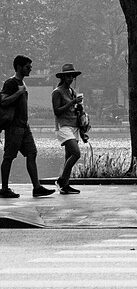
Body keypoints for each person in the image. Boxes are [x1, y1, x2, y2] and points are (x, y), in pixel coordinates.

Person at [0, 55, 54, 198]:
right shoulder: (11, 83)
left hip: (24, 127)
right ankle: (4, 188)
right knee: (9, 157)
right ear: (19, 67)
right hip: (14, 127)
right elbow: (3, 101)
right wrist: (18, 93)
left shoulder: (22, 83)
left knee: (32, 153)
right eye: (27, 67)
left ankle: (36, 187)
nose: (30, 69)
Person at [51, 63, 84, 194]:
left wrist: (78, 107)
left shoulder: (72, 91)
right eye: (68, 76)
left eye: (72, 76)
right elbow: (57, 111)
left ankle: (65, 186)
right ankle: (62, 180)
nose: (71, 79)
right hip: (63, 126)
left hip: (74, 126)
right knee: (76, 154)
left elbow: (73, 109)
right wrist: (72, 102)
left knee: (68, 157)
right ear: (63, 78)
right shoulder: (57, 92)